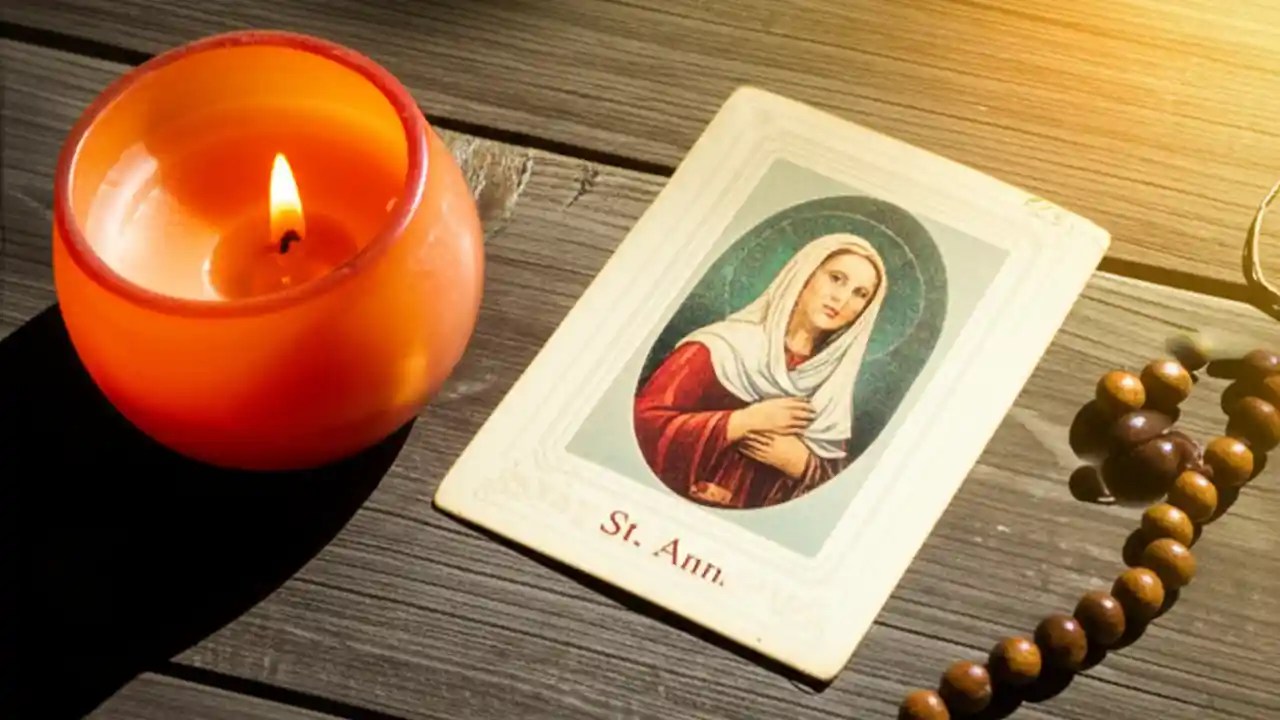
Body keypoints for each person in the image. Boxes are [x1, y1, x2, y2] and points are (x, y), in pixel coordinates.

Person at [634, 233, 888, 509]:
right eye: (836, 278)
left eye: (860, 294)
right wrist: (741, 422)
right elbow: (644, 425)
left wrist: (802, 465)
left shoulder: (832, 388)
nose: (842, 298)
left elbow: (835, 497)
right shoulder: (719, 348)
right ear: (804, 276)